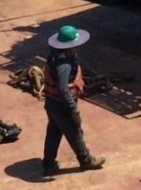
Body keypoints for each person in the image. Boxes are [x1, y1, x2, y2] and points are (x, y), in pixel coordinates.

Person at [42, 25, 105, 177]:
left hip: (51, 103)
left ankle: (49, 164)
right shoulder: (64, 65)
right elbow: (63, 89)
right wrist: (71, 107)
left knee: (54, 132)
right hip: (61, 105)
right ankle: (86, 160)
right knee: (75, 132)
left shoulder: (54, 56)